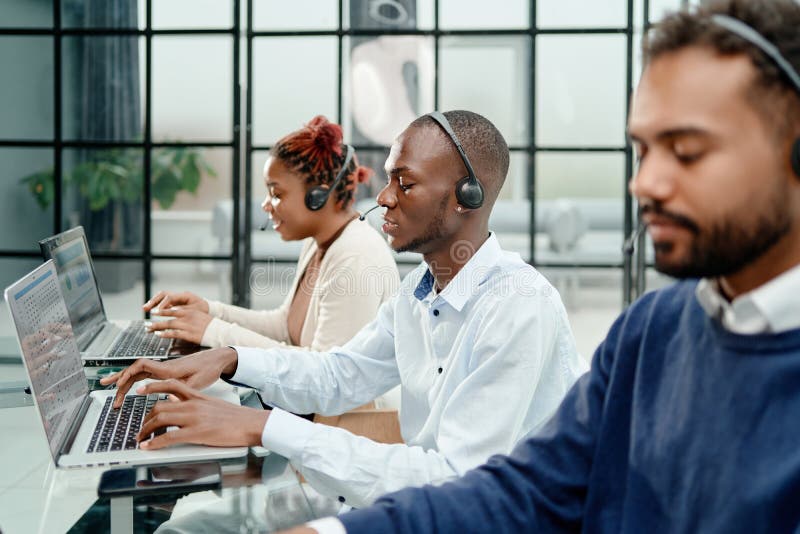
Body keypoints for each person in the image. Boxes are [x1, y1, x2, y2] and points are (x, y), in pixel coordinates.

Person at [280, 0, 800, 532]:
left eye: (686, 150)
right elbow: (527, 489)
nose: (644, 184)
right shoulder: (652, 332)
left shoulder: (525, 304)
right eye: (643, 151)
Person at [102, 110, 586, 509]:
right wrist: (229, 358)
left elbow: (456, 482)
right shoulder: (420, 290)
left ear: (467, 197)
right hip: (426, 504)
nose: (383, 197)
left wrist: (265, 426)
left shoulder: (518, 307)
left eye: (405, 182)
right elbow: (338, 374)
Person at [144, 115, 399, 352]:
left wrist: (213, 332)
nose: (266, 205)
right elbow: (284, 327)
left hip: (343, 402)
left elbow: (327, 376)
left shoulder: (354, 257)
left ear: (318, 197)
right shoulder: (322, 243)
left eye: (277, 194)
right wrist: (211, 311)